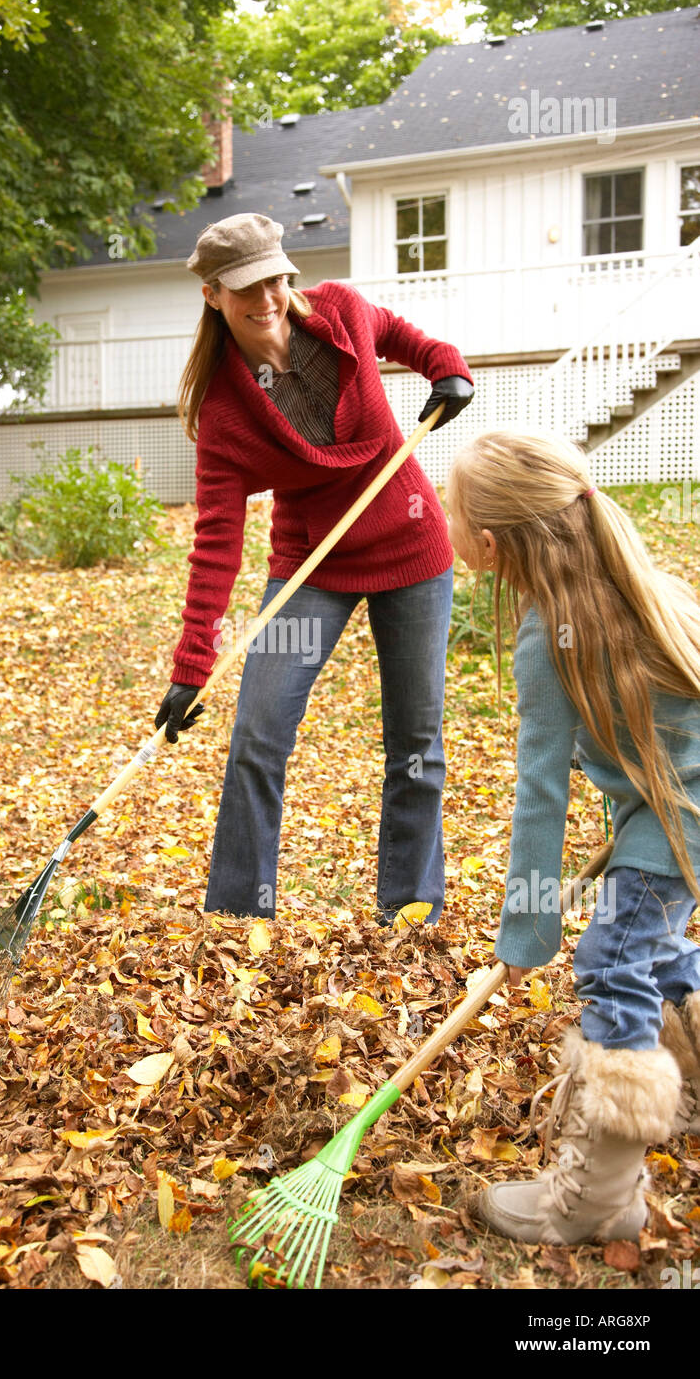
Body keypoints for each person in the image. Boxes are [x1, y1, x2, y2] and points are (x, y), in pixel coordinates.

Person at [154, 212, 474, 927]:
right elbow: (215, 543)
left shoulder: (340, 311)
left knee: (416, 740)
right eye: (246, 288)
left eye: (275, 278)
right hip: (313, 564)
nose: (267, 298)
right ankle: (239, 916)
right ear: (213, 295)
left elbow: (404, 337)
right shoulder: (225, 413)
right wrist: (191, 666)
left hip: (411, 547)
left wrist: (446, 367)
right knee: (258, 732)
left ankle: (411, 908)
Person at [444, 428, 700, 1245]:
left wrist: (526, 931)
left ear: (488, 544)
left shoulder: (548, 638)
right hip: (675, 822)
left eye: (450, 508)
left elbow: (540, 799)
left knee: (616, 963)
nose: (442, 518)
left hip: (678, 830)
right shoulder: (644, 587)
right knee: (665, 958)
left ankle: (597, 1201)